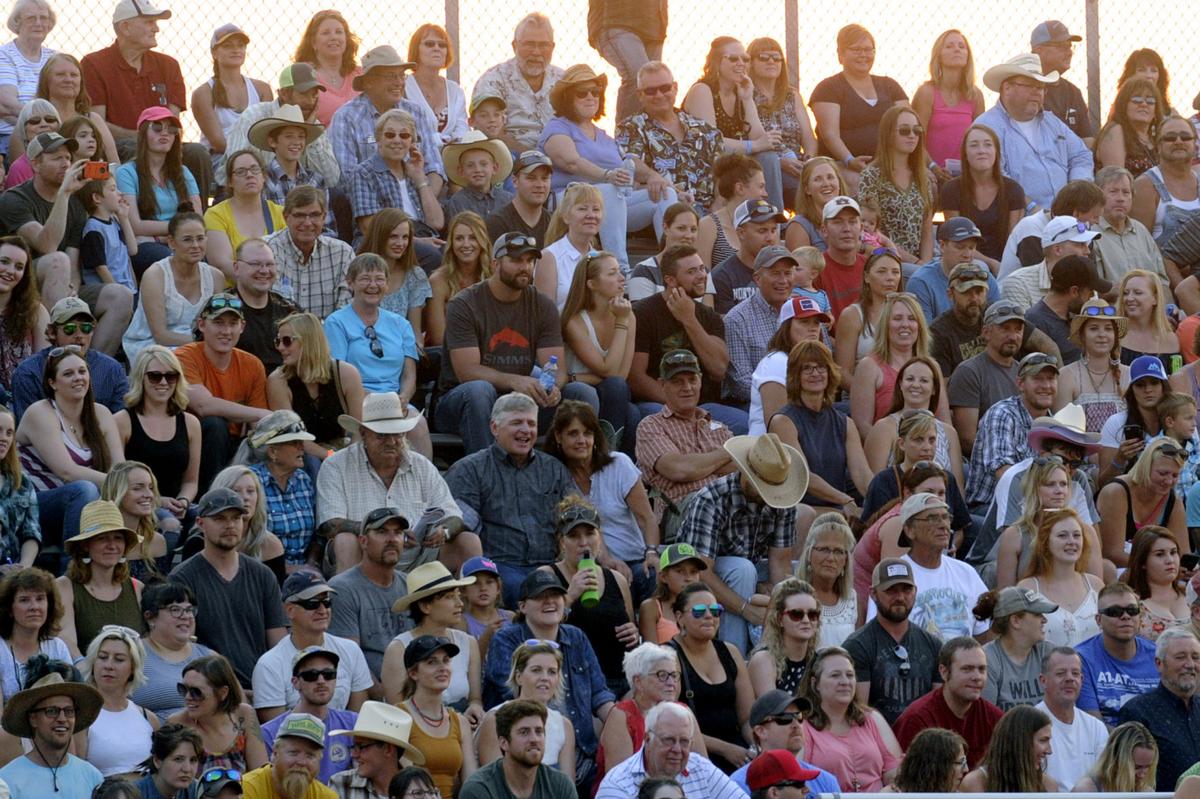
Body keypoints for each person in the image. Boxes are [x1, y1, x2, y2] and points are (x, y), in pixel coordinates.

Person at [437, 232, 598, 453]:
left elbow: (557, 368)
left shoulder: (542, 305)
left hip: (521, 404)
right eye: (516, 260)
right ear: (495, 264)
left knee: (581, 393)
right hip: (463, 403)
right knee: (479, 391)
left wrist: (552, 388)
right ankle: (487, 476)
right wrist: (516, 381)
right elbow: (467, 372)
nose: (525, 267)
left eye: (530, 261)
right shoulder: (464, 304)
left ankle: (571, 477)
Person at [676, 434, 804, 655]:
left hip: (751, 573)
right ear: (747, 474)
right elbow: (699, 570)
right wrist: (746, 609)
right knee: (741, 570)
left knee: (783, 579)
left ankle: (776, 655)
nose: (769, 495)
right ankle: (734, 656)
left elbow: (781, 565)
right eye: (764, 487)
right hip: (703, 574)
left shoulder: (783, 502)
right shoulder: (712, 499)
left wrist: (776, 603)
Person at [483, 571, 615, 778]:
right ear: (522, 606)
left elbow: (600, 694)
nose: (550, 602)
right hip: (528, 751)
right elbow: (514, 693)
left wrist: (623, 722)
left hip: (583, 754)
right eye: (540, 596)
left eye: (556, 595)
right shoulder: (506, 639)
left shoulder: (576, 636)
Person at [78, 0, 212, 202]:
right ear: (125, 27)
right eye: (149, 22)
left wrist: (156, 136)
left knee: (197, 152)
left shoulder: (169, 65)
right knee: (135, 149)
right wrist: (142, 137)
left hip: (163, 140)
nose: (156, 28)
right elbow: (97, 122)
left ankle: (196, 221)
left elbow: (173, 123)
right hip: (121, 145)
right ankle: (142, 218)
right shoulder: (94, 63)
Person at [169, 488, 287, 688]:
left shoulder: (263, 575)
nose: (230, 525)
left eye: (236, 518)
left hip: (261, 687)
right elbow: (180, 646)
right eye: (220, 518)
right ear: (200, 523)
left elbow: (278, 643)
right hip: (208, 688)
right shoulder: (182, 578)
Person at [16, 346, 122, 555]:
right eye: (68, 373)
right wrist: (122, 485)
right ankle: (72, 570)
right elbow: (67, 472)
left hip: (86, 502)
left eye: (82, 371)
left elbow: (118, 467)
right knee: (84, 490)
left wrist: (132, 488)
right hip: (34, 507)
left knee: (165, 518)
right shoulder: (41, 412)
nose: (78, 378)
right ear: (52, 383)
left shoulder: (101, 413)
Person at [629, 246, 739, 430]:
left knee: (745, 425)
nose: (701, 275)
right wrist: (680, 406)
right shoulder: (642, 314)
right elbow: (636, 378)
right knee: (665, 421)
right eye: (691, 271)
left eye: (702, 268)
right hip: (658, 403)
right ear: (670, 280)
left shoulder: (709, 316)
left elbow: (719, 369)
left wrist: (689, 320)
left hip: (704, 406)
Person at [766, 341, 868, 528]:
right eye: (807, 368)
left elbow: (861, 475)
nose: (815, 373)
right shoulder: (783, 421)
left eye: (821, 367)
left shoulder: (845, 423)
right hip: (799, 511)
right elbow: (803, 477)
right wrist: (845, 500)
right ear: (795, 375)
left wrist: (886, 501)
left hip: (839, 507)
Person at [175, 292, 270, 490]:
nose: (226, 331)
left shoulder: (252, 364)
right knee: (215, 425)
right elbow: (203, 405)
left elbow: (256, 424)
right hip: (192, 445)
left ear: (242, 327)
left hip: (234, 445)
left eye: (233, 324)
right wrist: (262, 414)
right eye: (218, 322)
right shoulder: (185, 355)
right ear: (202, 325)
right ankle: (210, 497)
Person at [975, 53, 1093, 209]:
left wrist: (1077, 190)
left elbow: (1081, 155)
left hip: (1067, 217)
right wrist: (1032, 209)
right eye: (1029, 85)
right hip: (1019, 221)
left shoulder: (1052, 123)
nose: (1037, 92)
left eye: (1041, 87)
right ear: (1007, 88)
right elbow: (994, 177)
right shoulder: (987, 127)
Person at [252, 572, 371, 722]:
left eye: (327, 602)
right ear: (290, 610)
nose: (322, 610)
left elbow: (357, 721)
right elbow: (275, 733)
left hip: (343, 742)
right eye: (312, 603)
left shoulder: (351, 650)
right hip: (294, 743)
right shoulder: (269, 665)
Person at [660, 581, 752, 772]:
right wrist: (726, 750)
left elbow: (747, 718)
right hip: (690, 753)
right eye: (699, 611)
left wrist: (755, 747)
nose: (709, 616)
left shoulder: (731, 652)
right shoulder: (668, 656)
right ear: (680, 617)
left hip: (738, 751)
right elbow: (669, 724)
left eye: (715, 610)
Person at [682, 37, 784, 210]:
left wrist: (748, 99)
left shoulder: (740, 91)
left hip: (733, 160)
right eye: (733, 58)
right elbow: (712, 144)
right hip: (703, 164)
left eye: (745, 59)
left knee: (769, 157)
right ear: (716, 62)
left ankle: (772, 220)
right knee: (753, 160)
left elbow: (760, 138)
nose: (741, 63)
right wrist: (754, 145)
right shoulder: (702, 90)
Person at [328, 45, 443, 196]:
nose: (399, 82)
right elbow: (348, 179)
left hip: (417, 202)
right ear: (369, 82)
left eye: (402, 75)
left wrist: (425, 202)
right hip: (372, 207)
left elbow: (435, 168)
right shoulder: (346, 118)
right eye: (390, 76)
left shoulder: (416, 113)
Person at [809, 25, 908, 194]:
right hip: (844, 165)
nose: (863, 55)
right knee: (861, 182)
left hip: (889, 164)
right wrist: (850, 160)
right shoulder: (828, 88)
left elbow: (906, 126)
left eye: (868, 49)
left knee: (926, 181)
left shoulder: (890, 86)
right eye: (856, 49)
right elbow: (829, 135)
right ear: (840, 54)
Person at [845, 558, 943, 726]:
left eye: (907, 590)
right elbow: (859, 714)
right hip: (877, 743)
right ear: (873, 593)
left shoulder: (933, 645)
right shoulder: (858, 645)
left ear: (915, 591)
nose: (900, 597)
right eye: (891, 590)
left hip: (924, 741)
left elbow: (939, 708)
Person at [559, 251, 641, 450]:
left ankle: (617, 466)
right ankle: (606, 457)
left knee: (632, 413)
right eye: (612, 273)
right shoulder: (574, 320)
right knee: (620, 397)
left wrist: (578, 376)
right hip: (576, 393)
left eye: (620, 272)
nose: (622, 278)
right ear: (591, 284)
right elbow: (609, 372)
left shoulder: (629, 316)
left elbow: (621, 375)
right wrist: (621, 321)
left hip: (610, 391)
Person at [616, 62, 724, 213]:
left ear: (675, 88)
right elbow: (630, 160)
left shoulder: (705, 131)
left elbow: (723, 171)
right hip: (669, 209)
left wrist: (719, 203)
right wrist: (652, 176)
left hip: (710, 210)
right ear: (640, 95)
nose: (659, 95)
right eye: (650, 91)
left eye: (665, 88)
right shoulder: (631, 127)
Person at [325, 509, 415, 682]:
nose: (392, 539)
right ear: (363, 541)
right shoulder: (342, 589)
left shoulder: (410, 584)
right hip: (370, 694)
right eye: (382, 532)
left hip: (415, 687)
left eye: (398, 533)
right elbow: (350, 661)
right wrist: (387, 700)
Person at [121, 211, 222, 365]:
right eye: (187, 240)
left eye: (200, 239)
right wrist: (206, 340)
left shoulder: (215, 277)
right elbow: (160, 335)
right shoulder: (155, 275)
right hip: (154, 347)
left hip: (202, 346)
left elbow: (219, 323)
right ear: (171, 242)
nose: (195, 245)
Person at [963, 352, 1061, 510]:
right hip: (990, 508)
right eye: (1037, 379)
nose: (1046, 386)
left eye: (1050, 379)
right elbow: (1004, 475)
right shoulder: (1002, 414)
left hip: (1037, 505)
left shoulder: (1056, 424)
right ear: (1021, 384)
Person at [380, 565, 480, 716]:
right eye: (449, 597)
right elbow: (398, 711)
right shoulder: (399, 648)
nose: (460, 603)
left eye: (458, 595)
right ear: (425, 606)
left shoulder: (468, 642)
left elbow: (475, 698)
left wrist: (475, 708)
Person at [797, 646, 902, 792]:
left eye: (850, 675)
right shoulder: (802, 725)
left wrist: (889, 790)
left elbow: (895, 771)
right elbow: (796, 780)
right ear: (815, 684)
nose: (845, 681)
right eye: (835, 675)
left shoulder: (872, 718)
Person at [0, 130, 83, 310]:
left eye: (68, 158)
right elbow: (47, 245)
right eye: (56, 158)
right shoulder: (14, 199)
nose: (65, 164)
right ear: (36, 165)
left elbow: (73, 261)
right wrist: (65, 194)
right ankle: (50, 335)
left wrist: (73, 290)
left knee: (117, 295)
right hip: (17, 277)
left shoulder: (76, 206)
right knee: (57, 260)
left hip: (59, 281)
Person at [114, 107, 201, 277]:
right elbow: (135, 225)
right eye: (157, 127)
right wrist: (180, 230)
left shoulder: (183, 172)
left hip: (178, 242)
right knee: (174, 261)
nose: (165, 133)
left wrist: (164, 236)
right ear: (143, 133)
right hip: (147, 246)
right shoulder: (126, 172)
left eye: (172, 129)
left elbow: (197, 220)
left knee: (198, 260)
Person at [0, 656, 103, 797]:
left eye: (69, 711)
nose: (62, 718)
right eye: (52, 711)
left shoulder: (92, 777)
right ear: (33, 719)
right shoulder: (7, 781)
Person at [266, 312, 364, 460]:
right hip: (300, 452)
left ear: (308, 341)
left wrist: (350, 459)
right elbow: (293, 436)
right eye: (277, 341)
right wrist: (332, 457)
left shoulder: (346, 374)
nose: (280, 347)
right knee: (310, 460)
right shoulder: (278, 380)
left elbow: (359, 429)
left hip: (341, 449)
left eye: (287, 341)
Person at [594, 702, 743, 799]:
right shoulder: (617, 784)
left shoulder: (700, 768)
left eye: (684, 742)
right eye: (668, 740)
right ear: (647, 740)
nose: (677, 749)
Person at [893, 637, 1002, 768]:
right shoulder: (917, 720)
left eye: (982, 669)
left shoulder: (995, 719)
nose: (977, 677)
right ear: (944, 672)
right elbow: (906, 780)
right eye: (967, 669)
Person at [388, 635, 476, 795]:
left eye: (446, 660)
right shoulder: (397, 717)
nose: (442, 667)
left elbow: (471, 783)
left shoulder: (460, 722)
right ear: (413, 673)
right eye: (432, 662)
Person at [11, 295, 127, 418]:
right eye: (70, 328)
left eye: (86, 328)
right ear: (52, 332)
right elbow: (29, 427)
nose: (79, 335)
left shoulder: (112, 369)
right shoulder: (28, 372)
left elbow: (122, 423)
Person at [1115, 627, 1200, 790]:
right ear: (1159, 663)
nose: (1190, 664)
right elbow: (1126, 778)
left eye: (1196, 657)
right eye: (1180, 657)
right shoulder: (1137, 712)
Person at [476, 640, 575, 777]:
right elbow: (493, 782)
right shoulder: (495, 718)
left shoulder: (564, 725)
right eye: (536, 670)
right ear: (518, 677)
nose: (545, 678)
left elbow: (568, 788)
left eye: (552, 672)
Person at [259, 646, 355, 784]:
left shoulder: (352, 723)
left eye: (328, 674)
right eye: (311, 675)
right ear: (295, 682)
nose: (321, 680)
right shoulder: (269, 733)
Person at [347, 111, 443, 249]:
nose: (397, 140)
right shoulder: (363, 173)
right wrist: (416, 242)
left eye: (404, 135)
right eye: (390, 135)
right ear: (378, 139)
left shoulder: (412, 173)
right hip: (382, 245)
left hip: (420, 237)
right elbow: (369, 227)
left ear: (412, 142)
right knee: (432, 256)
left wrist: (420, 178)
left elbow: (437, 223)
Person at [593, 642, 687, 783]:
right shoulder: (622, 716)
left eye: (674, 675)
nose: (671, 682)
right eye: (662, 675)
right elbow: (619, 781)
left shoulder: (683, 712)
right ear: (638, 682)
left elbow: (703, 771)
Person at [471, 13, 565, 153]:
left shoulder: (563, 80)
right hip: (511, 159)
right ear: (515, 45)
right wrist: (533, 160)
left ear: (552, 47)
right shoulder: (493, 79)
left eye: (543, 45)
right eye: (529, 44)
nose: (536, 52)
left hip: (563, 157)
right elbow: (491, 131)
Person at [938, 124, 1025, 271]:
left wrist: (1004, 266)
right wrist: (990, 263)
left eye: (988, 145)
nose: (981, 151)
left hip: (1005, 261)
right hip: (965, 259)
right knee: (980, 267)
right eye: (974, 145)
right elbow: (956, 241)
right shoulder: (951, 190)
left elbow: (1013, 241)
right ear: (965, 153)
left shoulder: (1013, 190)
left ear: (996, 152)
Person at [862, 361, 964, 482]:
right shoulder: (883, 428)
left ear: (934, 389)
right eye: (910, 379)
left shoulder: (949, 432)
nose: (916, 385)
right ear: (900, 384)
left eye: (924, 380)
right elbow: (873, 485)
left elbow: (958, 488)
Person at [78, 624, 159, 778]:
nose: (109, 666)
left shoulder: (148, 718)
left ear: (133, 668)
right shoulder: (81, 717)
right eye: (102, 657)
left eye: (119, 659)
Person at [1016, 509, 1106, 646]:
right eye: (1062, 536)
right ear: (1045, 541)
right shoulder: (1027, 588)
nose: (1071, 541)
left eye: (1077, 535)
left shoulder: (1095, 585)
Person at [1076, 582, 1161, 726]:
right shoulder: (1081, 658)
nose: (1125, 616)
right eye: (1115, 612)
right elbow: (1093, 725)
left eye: (1132, 610)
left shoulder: (1157, 654)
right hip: (1107, 744)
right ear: (1098, 620)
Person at [168, 653, 267, 776]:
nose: (188, 697)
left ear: (223, 693)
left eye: (196, 692)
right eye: (183, 689)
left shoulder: (244, 715)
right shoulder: (177, 724)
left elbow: (260, 773)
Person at [856, 105, 933, 263]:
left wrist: (926, 265)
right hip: (885, 258)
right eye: (904, 131)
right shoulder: (871, 176)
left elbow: (927, 230)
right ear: (888, 134)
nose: (912, 136)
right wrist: (916, 263)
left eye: (917, 131)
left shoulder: (923, 178)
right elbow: (868, 230)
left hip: (921, 262)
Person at [191, 25, 272, 175]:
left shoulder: (262, 89)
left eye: (240, 45)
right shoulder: (203, 93)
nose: (236, 50)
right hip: (222, 160)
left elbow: (266, 134)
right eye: (228, 46)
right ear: (215, 52)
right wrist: (249, 161)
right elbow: (219, 144)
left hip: (259, 158)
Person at [1097, 437, 1188, 568]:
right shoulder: (1116, 492)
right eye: (1163, 473)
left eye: (1175, 475)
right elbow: (1111, 554)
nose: (1169, 481)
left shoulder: (1173, 500)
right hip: (1116, 573)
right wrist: (1153, 567)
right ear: (1146, 467)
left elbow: (1183, 553)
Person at [724, 244, 797, 405]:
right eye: (775, 273)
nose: (783, 280)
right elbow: (741, 382)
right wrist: (785, 398)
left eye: (788, 273)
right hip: (756, 404)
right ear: (757, 278)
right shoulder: (737, 319)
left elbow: (826, 361)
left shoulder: (804, 310)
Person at [130, 582, 213, 723]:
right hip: (156, 740)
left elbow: (236, 707)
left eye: (189, 610)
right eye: (175, 609)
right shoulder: (131, 654)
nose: (186, 616)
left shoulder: (210, 657)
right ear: (150, 617)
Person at [747, 37, 817, 204]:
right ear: (751, 63)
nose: (771, 61)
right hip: (765, 162)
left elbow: (809, 138)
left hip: (797, 162)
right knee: (803, 192)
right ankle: (777, 225)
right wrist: (781, 163)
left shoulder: (792, 95)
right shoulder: (746, 95)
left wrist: (808, 161)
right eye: (764, 57)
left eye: (777, 57)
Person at [266, 186, 353, 321]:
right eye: (299, 215)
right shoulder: (268, 251)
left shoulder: (342, 253)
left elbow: (345, 311)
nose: (307, 223)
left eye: (314, 215)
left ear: (324, 217)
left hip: (329, 336)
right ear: (286, 217)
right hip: (281, 336)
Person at [459, 700, 574, 799]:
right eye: (524, 732)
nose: (534, 739)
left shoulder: (561, 785)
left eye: (539, 731)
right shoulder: (479, 789)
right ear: (504, 743)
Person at [728, 691, 838, 795]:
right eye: (785, 718)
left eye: (798, 716)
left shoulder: (825, 780)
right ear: (761, 731)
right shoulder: (738, 784)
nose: (796, 724)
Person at [749, 297, 830, 436]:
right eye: (804, 322)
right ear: (786, 327)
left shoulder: (817, 363)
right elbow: (777, 427)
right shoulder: (775, 362)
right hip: (770, 450)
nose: (813, 329)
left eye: (816, 323)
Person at [1034, 646, 1109, 790]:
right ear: (1043, 681)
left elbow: (1104, 781)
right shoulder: (1028, 724)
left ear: (1081, 679)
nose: (1069, 679)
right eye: (1061, 673)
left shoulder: (1096, 727)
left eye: (1075, 673)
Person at [911, 30, 984, 175]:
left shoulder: (975, 95)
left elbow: (981, 138)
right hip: (930, 172)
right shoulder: (926, 92)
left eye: (961, 46)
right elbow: (916, 140)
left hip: (966, 174)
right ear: (939, 55)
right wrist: (932, 167)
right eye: (949, 46)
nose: (957, 49)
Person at [1000, 214, 1106, 312]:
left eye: (1087, 245)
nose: (1087, 251)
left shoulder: (1086, 280)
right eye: (1080, 244)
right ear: (1057, 249)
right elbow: (1023, 330)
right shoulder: (1018, 283)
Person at [204, 152, 284, 280]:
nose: (249, 175)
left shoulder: (281, 213)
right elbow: (222, 264)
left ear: (263, 176)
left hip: (275, 289)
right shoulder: (215, 215)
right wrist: (258, 283)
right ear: (230, 181)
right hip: (233, 295)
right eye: (241, 171)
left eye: (255, 169)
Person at [974, 587, 1056, 709]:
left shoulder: (1048, 652)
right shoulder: (988, 659)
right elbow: (987, 718)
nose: (1044, 620)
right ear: (1016, 621)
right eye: (1037, 614)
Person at [1056, 297, 1130, 432]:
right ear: (1082, 335)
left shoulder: (1129, 374)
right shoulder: (1066, 376)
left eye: (1108, 329)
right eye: (1094, 328)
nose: (1102, 335)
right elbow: (1063, 431)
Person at [224, 239, 299, 374]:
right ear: (236, 268)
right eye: (255, 264)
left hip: (286, 385)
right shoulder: (220, 309)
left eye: (269, 264)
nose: (264, 271)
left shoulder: (290, 310)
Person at [327, 701, 426, 799]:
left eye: (361, 746)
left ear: (388, 750)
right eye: (354, 746)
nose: (354, 754)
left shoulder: (421, 791)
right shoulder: (341, 784)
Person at [908, 217, 999, 322]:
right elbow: (924, 334)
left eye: (971, 248)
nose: (967, 255)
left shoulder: (985, 278)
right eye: (960, 247)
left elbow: (997, 325)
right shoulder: (921, 282)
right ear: (942, 246)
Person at [1132, 115, 1200, 249]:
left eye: (1185, 137)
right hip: (1161, 268)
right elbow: (1140, 247)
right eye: (1170, 138)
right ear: (1158, 146)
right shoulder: (1145, 186)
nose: (1179, 141)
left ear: (1195, 144)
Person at [209, 465, 286, 583]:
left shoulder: (270, 544)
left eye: (250, 491)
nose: (245, 497)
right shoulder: (200, 541)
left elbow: (275, 597)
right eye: (235, 491)